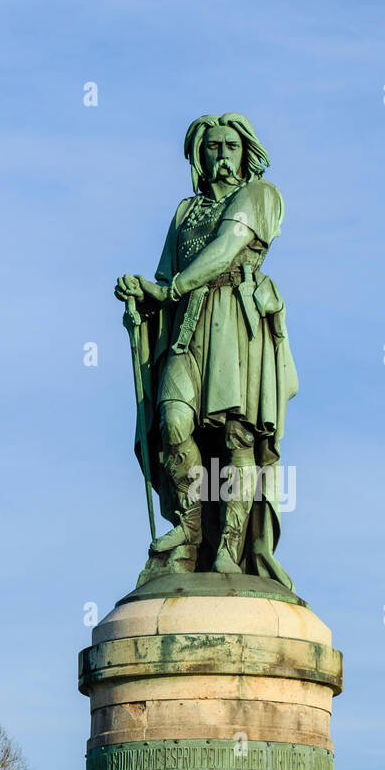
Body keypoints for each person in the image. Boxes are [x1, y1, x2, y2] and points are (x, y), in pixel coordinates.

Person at [115, 113, 298, 588]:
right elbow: (163, 278)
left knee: (238, 436)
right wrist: (141, 296)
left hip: (236, 320)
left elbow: (225, 249)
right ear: (200, 156)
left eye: (230, 148)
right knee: (172, 419)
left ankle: (230, 543)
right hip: (186, 325)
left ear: (245, 154)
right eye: (212, 148)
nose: (221, 156)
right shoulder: (185, 213)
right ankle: (192, 526)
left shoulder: (259, 196)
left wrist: (168, 290)